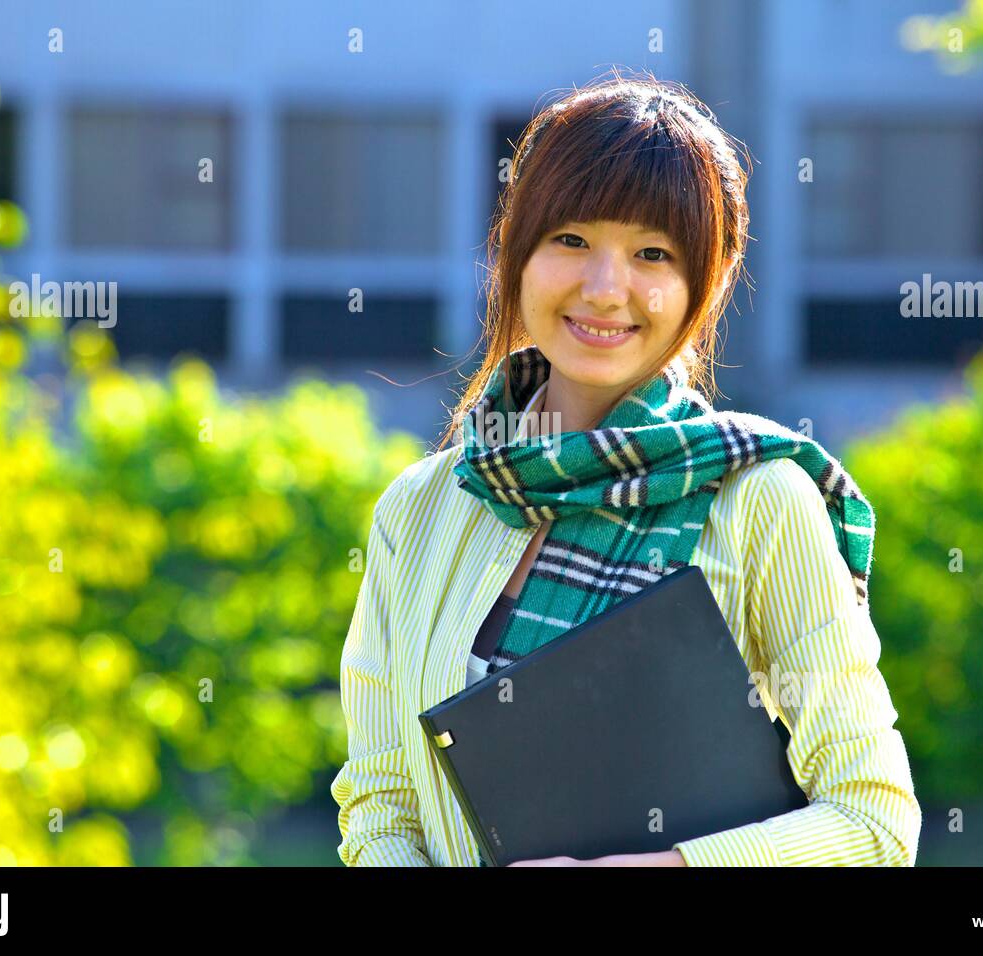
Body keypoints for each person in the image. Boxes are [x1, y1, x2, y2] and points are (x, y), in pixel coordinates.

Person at [330, 71, 922, 867]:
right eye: (571, 240)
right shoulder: (423, 509)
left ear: (699, 288)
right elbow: (380, 805)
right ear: (517, 252)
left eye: (652, 254)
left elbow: (874, 824)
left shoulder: (756, 498)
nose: (606, 290)